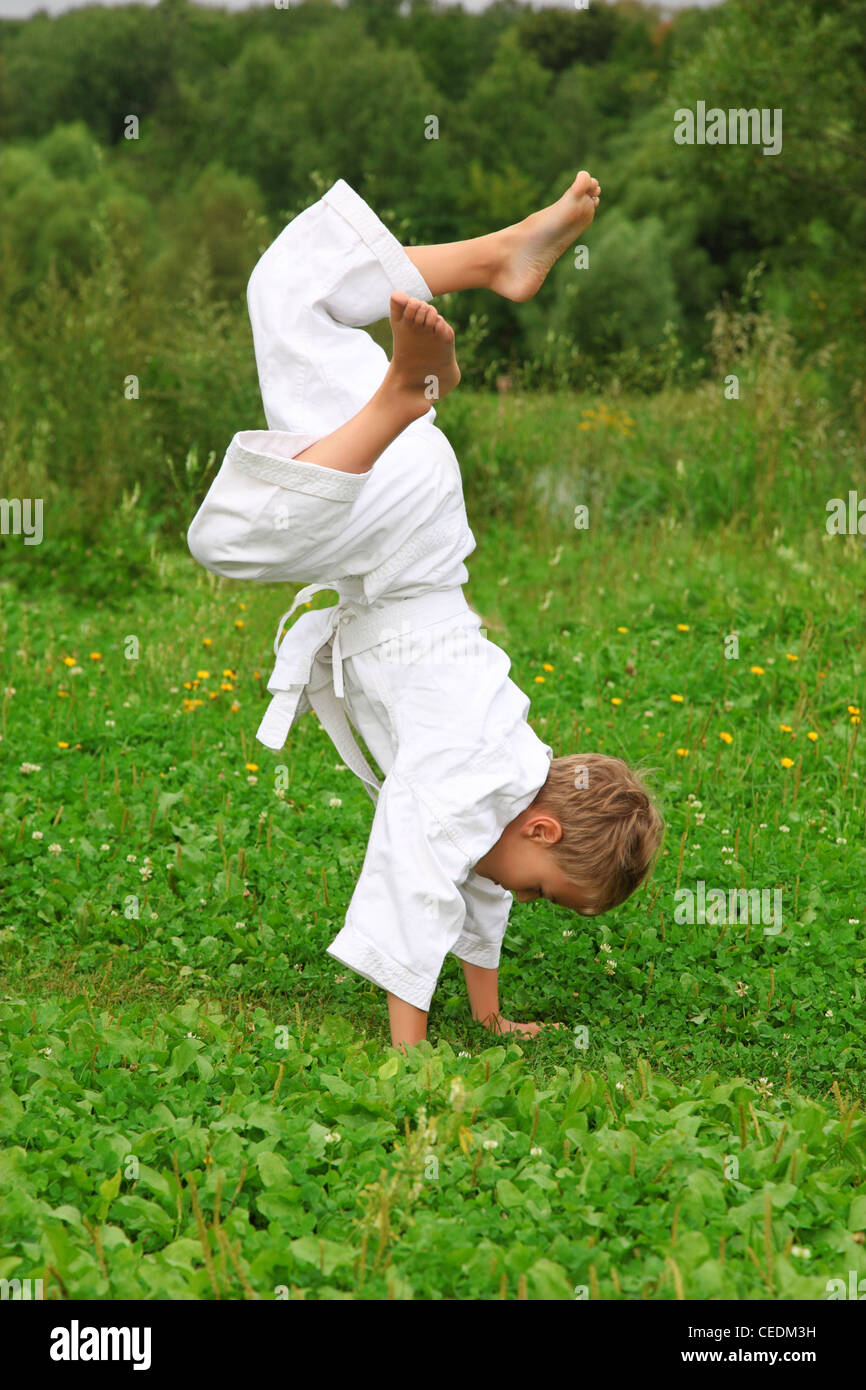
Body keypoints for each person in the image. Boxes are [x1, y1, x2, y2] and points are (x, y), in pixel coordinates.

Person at [187, 172, 664, 1052]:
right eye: (543, 890)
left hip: (409, 503)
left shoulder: (505, 778)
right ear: (544, 826)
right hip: (395, 525)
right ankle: (403, 397)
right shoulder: (465, 778)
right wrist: (408, 1057)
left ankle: (492, 262)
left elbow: (476, 889)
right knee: (224, 542)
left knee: (290, 292)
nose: (523, 899)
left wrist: (487, 1015)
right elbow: (413, 883)